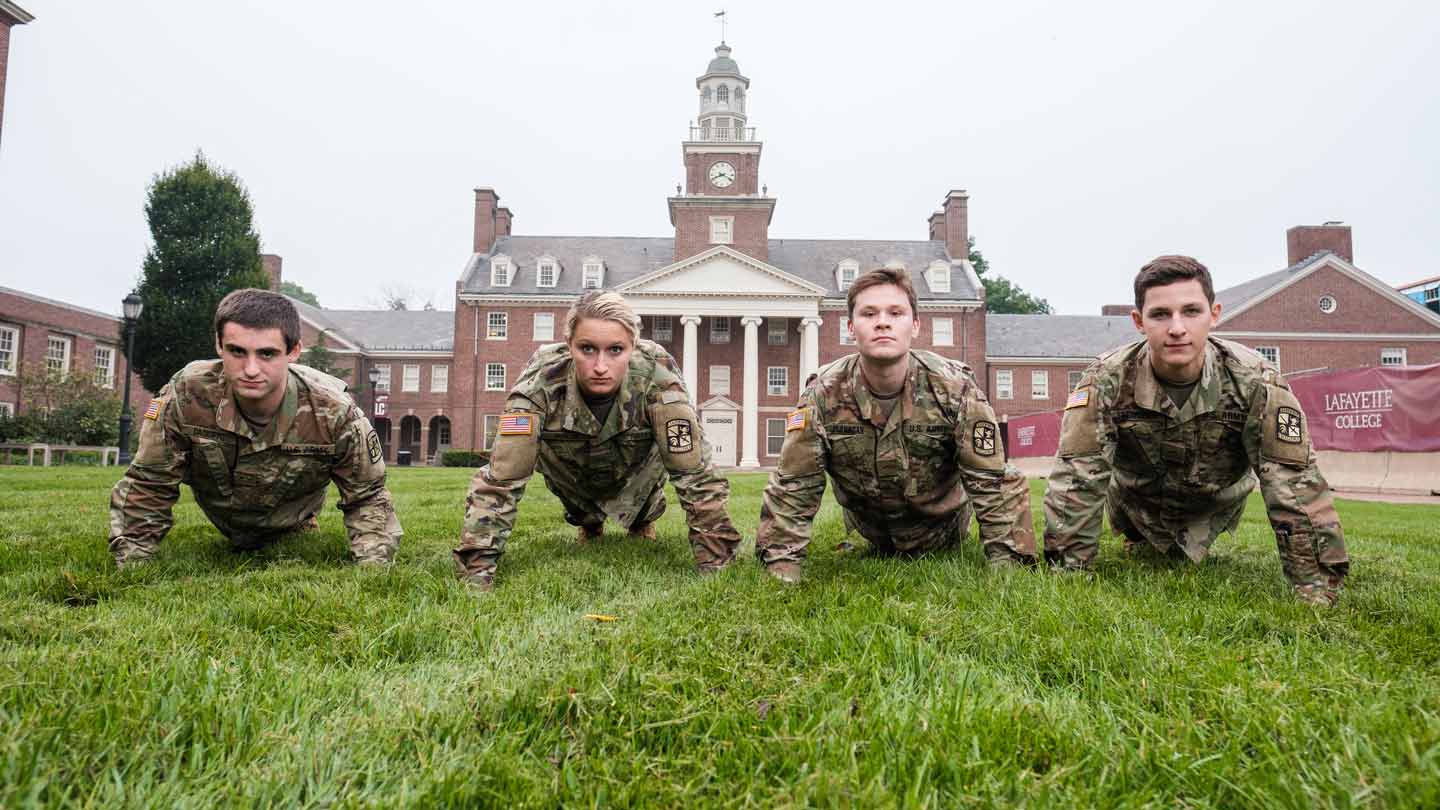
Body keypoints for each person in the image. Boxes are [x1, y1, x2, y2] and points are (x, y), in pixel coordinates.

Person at [1043, 255, 1349, 605]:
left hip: (1213, 502)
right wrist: (1067, 574)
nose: (1177, 328)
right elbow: (1078, 476)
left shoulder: (1255, 381)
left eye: (1191, 311)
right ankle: (1138, 537)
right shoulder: (1106, 379)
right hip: (1134, 501)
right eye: (1160, 314)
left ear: (1214, 314)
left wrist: (1315, 587)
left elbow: (1293, 482)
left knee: (1186, 553)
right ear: (1139, 321)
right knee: (1137, 536)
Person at [756, 267, 1037, 582]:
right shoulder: (823, 392)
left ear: (915, 326)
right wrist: (782, 568)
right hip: (871, 532)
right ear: (851, 327)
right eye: (869, 313)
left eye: (896, 312)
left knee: (1002, 479)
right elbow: (794, 485)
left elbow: (992, 482)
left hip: (942, 532)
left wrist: (1008, 570)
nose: (882, 322)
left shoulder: (953, 387)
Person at [455, 290, 742, 590]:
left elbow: (696, 478)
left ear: (633, 347)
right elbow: (500, 483)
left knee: (667, 471)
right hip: (572, 472)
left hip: (636, 469)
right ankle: (589, 521)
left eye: (615, 350)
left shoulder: (657, 375)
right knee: (544, 478)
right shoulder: (540, 380)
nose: (601, 366)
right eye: (587, 349)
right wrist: (477, 575)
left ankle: (641, 519)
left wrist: (717, 568)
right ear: (569, 346)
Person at [109, 289, 401, 568]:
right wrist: (133, 562)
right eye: (237, 351)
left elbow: (368, 497)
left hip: (293, 523)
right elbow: (149, 483)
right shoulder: (187, 395)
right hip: (222, 515)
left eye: (267, 354)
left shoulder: (333, 410)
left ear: (294, 351)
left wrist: (372, 568)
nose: (250, 369)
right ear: (218, 346)